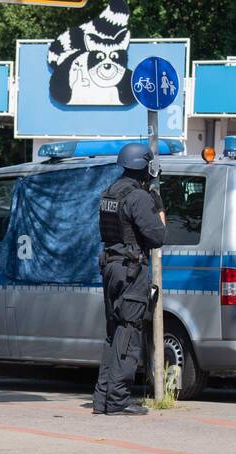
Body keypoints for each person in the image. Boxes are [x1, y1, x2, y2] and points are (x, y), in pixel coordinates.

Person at [91, 143, 166, 415]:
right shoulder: (139, 197)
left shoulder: (109, 193)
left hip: (111, 266)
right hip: (131, 270)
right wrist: (157, 207)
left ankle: (103, 399)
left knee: (114, 332)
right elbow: (157, 236)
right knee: (129, 332)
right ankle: (118, 400)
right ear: (146, 166)